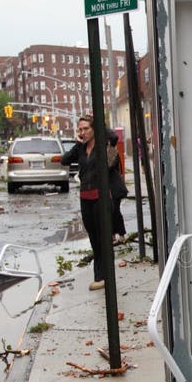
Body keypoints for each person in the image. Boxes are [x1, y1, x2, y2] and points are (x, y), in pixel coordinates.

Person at [61, 116, 121, 291]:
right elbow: (65, 160)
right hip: (85, 199)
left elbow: (115, 138)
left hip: (101, 198)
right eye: (80, 129)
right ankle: (100, 276)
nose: (83, 132)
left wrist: (100, 124)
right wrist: (79, 143)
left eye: (86, 128)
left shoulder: (105, 146)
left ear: (95, 129)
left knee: (104, 238)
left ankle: (104, 276)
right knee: (94, 240)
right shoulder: (81, 149)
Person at [107, 130, 128, 243]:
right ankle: (114, 234)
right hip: (111, 187)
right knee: (111, 211)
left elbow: (108, 166)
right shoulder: (108, 151)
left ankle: (120, 234)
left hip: (115, 188)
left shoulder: (112, 151)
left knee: (115, 210)